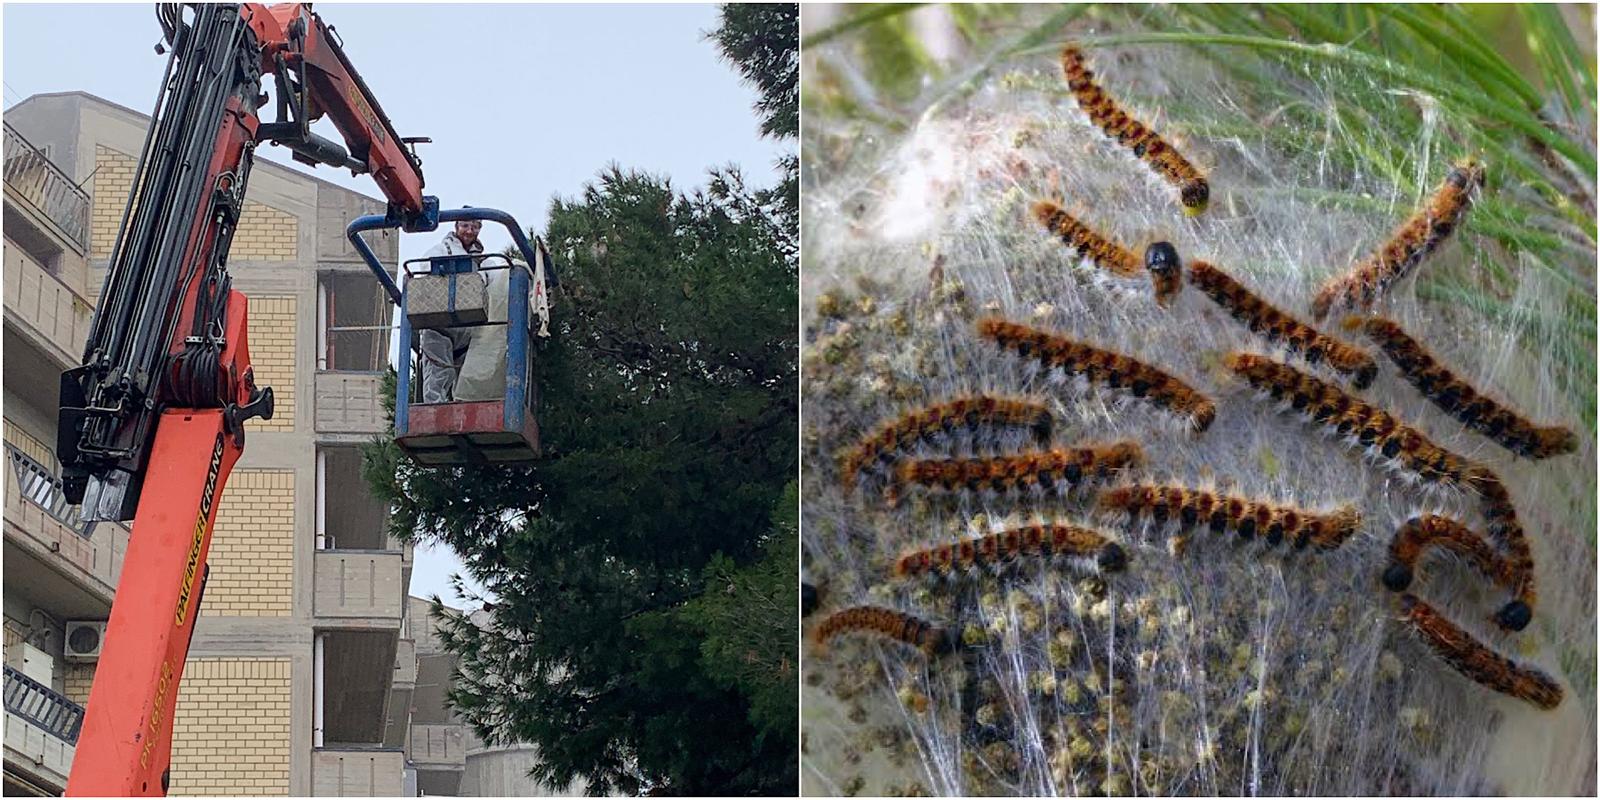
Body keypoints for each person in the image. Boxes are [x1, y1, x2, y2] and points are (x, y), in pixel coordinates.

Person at [419, 219, 485, 403]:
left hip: (466, 328)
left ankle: (461, 411)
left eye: (474, 227)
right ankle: (435, 411)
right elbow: (425, 267)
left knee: (465, 378)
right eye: (465, 226)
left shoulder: (480, 260)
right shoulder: (443, 250)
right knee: (438, 372)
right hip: (441, 323)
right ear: (456, 227)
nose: (469, 231)